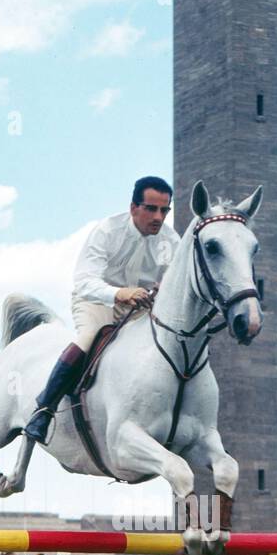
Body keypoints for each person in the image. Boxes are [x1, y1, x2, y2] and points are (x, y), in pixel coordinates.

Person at [23, 176, 180, 444]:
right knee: (89, 337)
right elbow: (85, 282)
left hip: (140, 308)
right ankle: (44, 410)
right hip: (98, 301)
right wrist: (120, 293)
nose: (158, 217)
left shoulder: (170, 240)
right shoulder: (107, 231)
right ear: (133, 208)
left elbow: (173, 283)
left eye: (164, 210)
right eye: (151, 209)